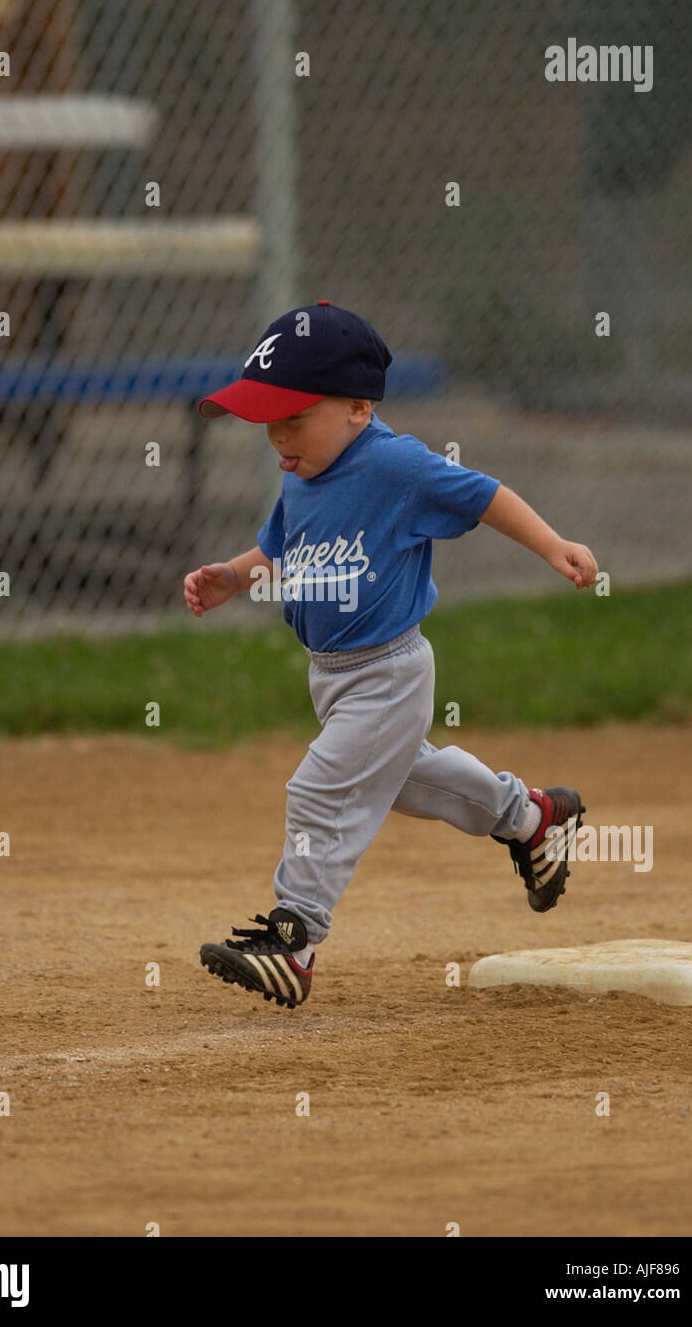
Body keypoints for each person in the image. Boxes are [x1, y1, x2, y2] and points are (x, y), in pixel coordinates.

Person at [184, 302, 597, 1008]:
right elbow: (283, 547)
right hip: (334, 678)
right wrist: (235, 573)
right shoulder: (303, 474)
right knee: (411, 781)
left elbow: (486, 495)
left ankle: (296, 939)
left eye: (293, 417)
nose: (277, 436)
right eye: (267, 422)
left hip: (389, 670)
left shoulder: (396, 465)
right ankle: (532, 819)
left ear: (356, 406)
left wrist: (553, 544)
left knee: (319, 790)